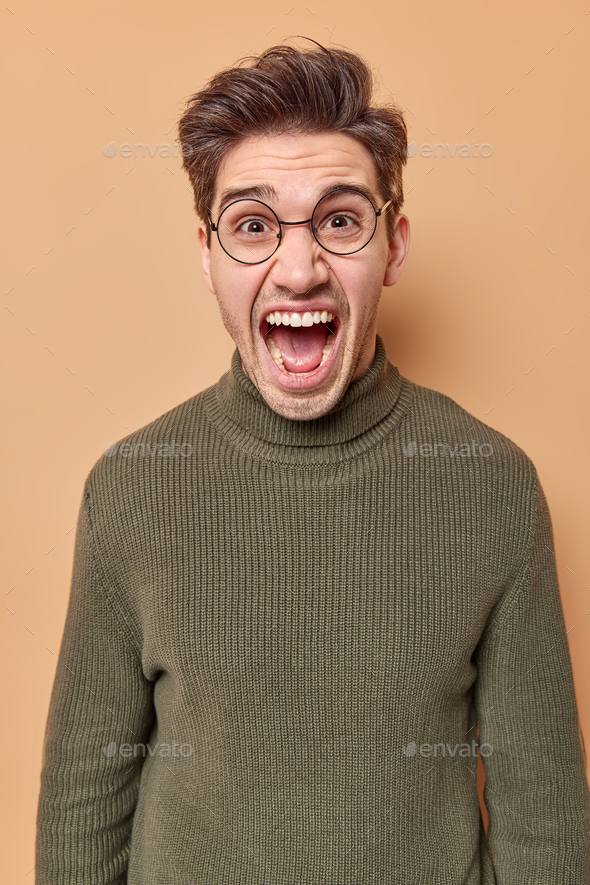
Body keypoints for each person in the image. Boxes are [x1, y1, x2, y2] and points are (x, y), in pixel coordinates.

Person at [35, 40, 590, 884]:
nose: (298, 270)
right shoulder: (131, 491)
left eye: (339, 220)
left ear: (393, 246)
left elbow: (545, 826)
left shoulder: (493, 487)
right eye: (253, 225)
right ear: (208, 255)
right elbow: (83, 806)